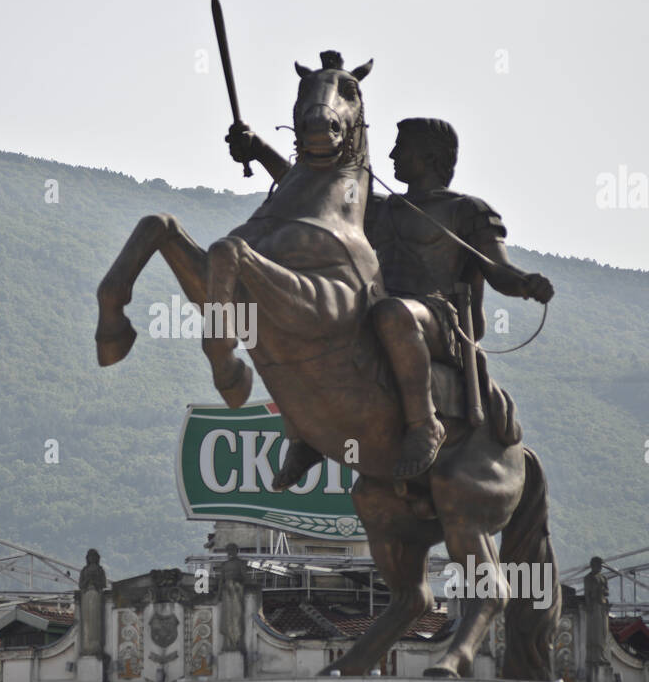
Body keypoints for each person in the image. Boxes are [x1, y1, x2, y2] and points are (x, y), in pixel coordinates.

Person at [226, 115, 553, 485]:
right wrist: (258, 149)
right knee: (306, 316)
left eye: (403, 147)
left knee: (392, 313)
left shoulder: (467, 211)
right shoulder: (379, 209)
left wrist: (527, 283)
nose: (394, 154)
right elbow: (310, 190)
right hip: (379, 312)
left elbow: (499, 270)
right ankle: (306, 435)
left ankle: (424, 425)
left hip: (440, 322)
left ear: (430, 156)